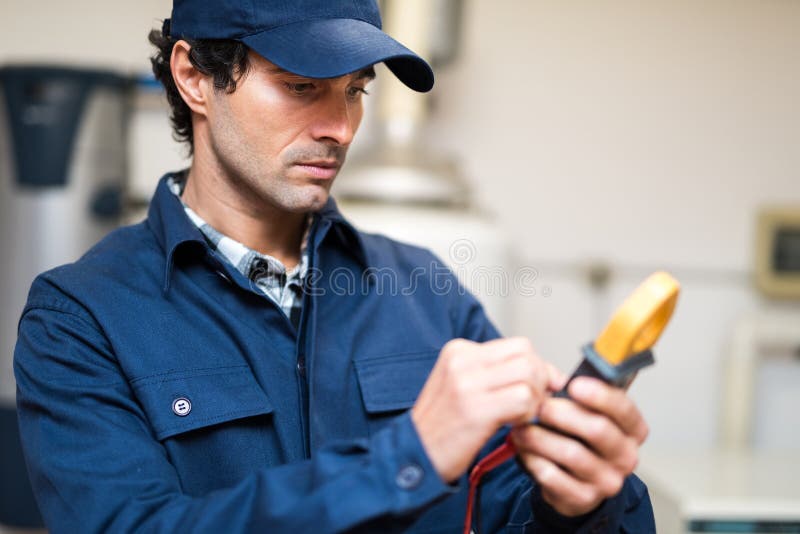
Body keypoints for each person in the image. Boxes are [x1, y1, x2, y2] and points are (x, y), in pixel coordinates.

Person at [14, 1, 655, 532]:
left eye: (354, 91)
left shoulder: (425, 291)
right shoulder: (80, 320)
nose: (341, 128)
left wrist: (579, 500)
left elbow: (511, 506)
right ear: (194, 77)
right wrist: (405, 460)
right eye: (301, 87)